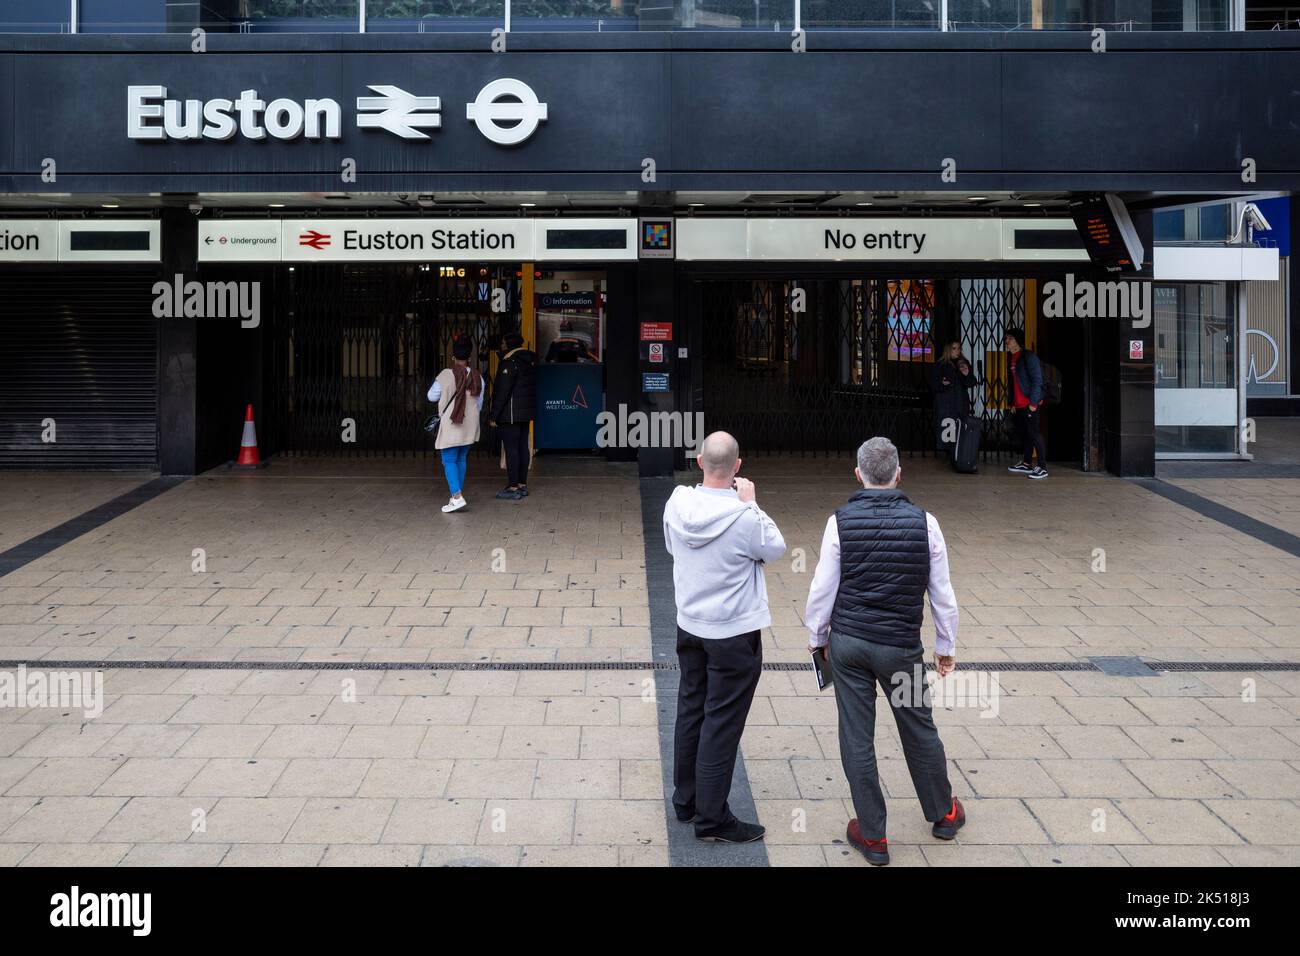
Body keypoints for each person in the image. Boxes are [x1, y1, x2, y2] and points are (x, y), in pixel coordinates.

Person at [804, 437, 965, 866]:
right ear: (898, 474)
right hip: (901, 649)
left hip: (850, 645)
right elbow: (942, 595)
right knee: (919, 729)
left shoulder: (838, 522)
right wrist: (944, 647)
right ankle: (943, 814)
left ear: (857, 474)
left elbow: (822, 589)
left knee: (857, 737)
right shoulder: (925, 523)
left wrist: (817, 637)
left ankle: (873, 836)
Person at [663, 431, 786, 843]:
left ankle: (686, 800)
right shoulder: (746, 516)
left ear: (699, 462)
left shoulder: (677, 503)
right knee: (722, 723)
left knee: (691, 710)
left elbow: (671, 548)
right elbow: (776, 549)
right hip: (733, 633)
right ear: (737, 468)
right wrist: (751, 501)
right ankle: (713, 819)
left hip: (690, 624)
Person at [427, 333, 484, 514]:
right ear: (469, 357)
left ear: (453, 356)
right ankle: (455, 496)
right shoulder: (477, 377)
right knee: (460, 458)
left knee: (448, 460)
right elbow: (480, 403)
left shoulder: (445, 375)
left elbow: (431, 396)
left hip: (452, 424)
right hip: (470, 425)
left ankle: (457, 497)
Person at [488, 330, 538, 500]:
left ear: (508, 345)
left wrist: (494, 415)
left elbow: (502, 391)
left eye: (502, 343)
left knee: (511, 449)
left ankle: (513, 486)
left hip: (510, 414)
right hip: (525, 413)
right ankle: (522, 484)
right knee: (523, 446)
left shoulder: (509, 362)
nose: (501, 346)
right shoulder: (528, 361)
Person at [1004, 327, 1048, 479]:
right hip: (1019, 404)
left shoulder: (1028, 356)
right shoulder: (1011, 358)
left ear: (1016, 341)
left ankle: (1042, 466)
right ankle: (1027, 462)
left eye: (1009, 338)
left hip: (1030, 403)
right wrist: (1012, 403)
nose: (1006, 341)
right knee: (1026, 434)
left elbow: (1037, 381)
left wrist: (1033, 403)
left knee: (1035, 434)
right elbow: (1013, 383)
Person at [930, 340, 976, 453]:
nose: (957, 351)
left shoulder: (963, 363)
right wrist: (942, 383)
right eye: (954, 348)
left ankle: (957, 452)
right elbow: (934, 384)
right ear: (948, 350)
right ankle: (948, 452)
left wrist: (967, 375)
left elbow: (971, 382)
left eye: (959, 348)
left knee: (959, 426)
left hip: (960, 401)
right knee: (947, 428)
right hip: (946, 403)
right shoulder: (941, 364)